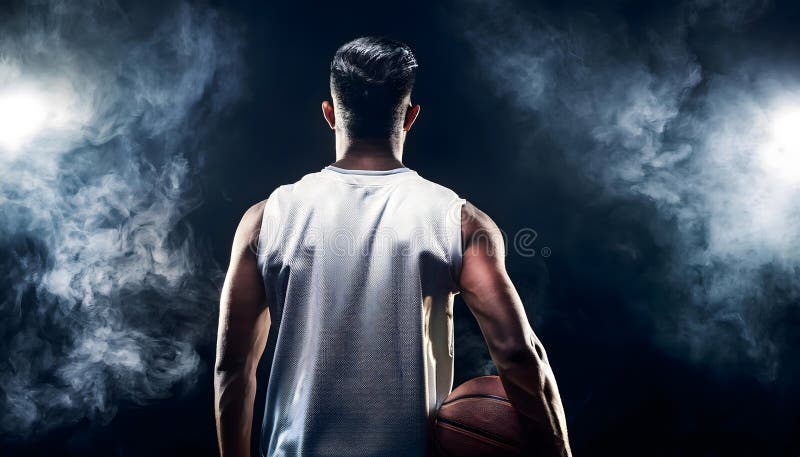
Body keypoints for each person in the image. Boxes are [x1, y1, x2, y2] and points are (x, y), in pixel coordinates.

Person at [214, 36, 571, 457]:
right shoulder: (457, 221)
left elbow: (232, 370)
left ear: (330, 114)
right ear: (410, 116)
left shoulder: (266, 219)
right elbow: (516, 353)